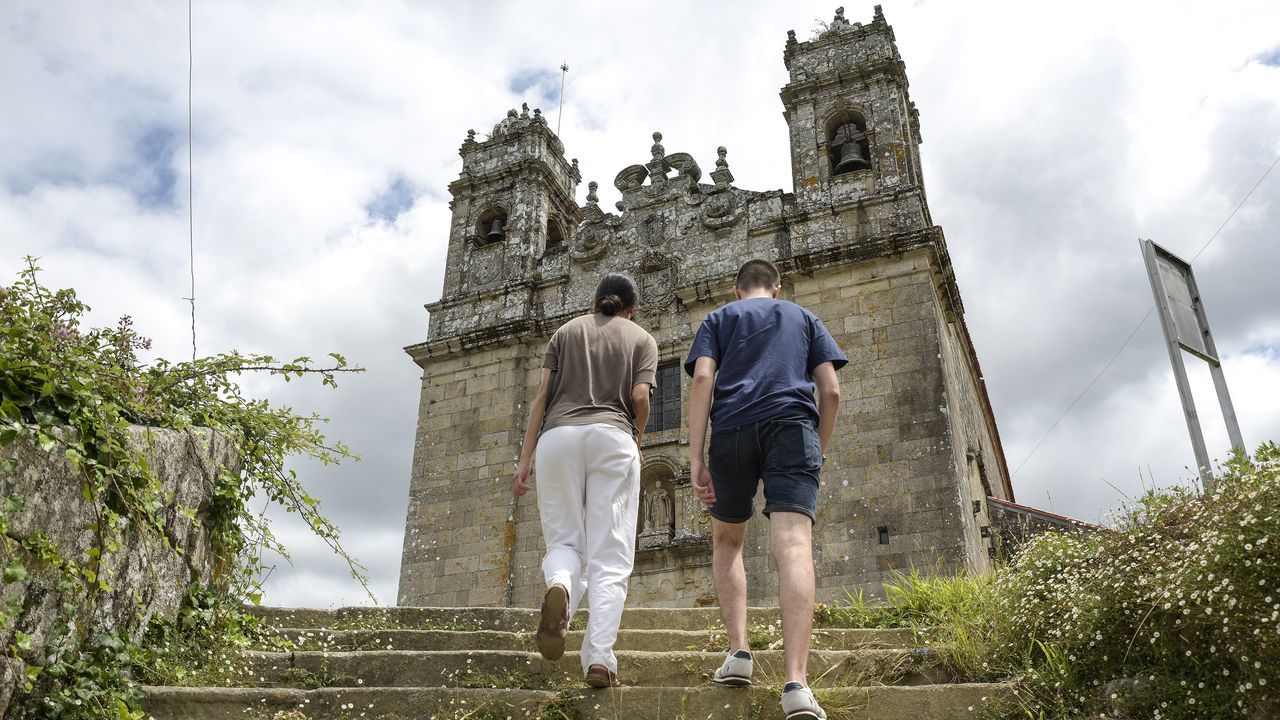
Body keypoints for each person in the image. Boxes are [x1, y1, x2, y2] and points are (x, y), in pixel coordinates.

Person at [684, 259, 846, 720]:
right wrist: (819, 449)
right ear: (776, 287)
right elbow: (830, 391)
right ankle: (796, 683)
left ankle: (738, 654)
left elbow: (701, 379)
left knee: (728, 541)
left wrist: (696, 457)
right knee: (793, 545)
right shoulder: (803, 317)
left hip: (732, 430)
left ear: (738, 291)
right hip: (794, 428)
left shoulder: (718, 319)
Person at [512, 272, 658, 689]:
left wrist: (525, 460)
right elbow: (641, 399)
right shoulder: (641, 338)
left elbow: (541, 399)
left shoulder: (564, 332)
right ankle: (599, 660)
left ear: (595, 301)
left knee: (564, 543)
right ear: (631, 307)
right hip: (612, 437)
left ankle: (560, 585)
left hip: (556, 438)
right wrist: (637, 438)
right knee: (609, 556)